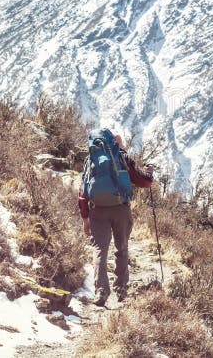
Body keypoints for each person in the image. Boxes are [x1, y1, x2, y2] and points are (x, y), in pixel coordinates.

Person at [79, 130, 154, 306]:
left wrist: (85, 218)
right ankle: (121, 289)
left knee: (99, 251)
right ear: (116, 144)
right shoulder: (122, 157)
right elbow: (144, 181)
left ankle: (101, 291)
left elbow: (82, 192)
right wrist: (150, 172)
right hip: (121, 209)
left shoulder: (90, 160)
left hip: (97, 210)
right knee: (122, 247)